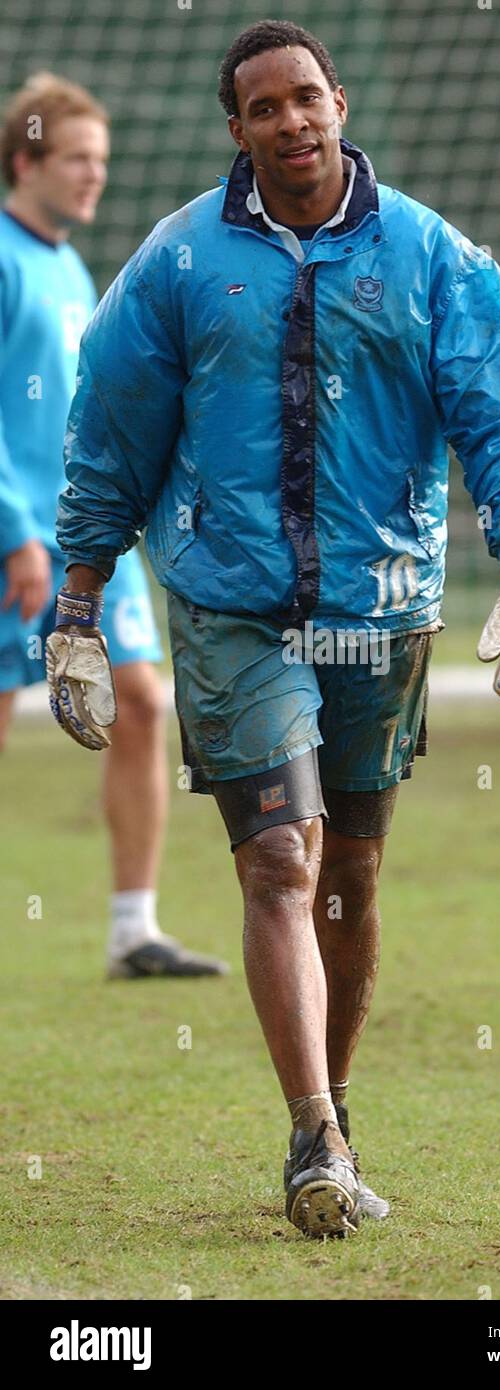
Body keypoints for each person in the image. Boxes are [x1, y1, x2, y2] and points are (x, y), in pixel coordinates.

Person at [48, 21, 500, 1236]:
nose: (292, 121)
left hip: (381, 610)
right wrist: (78, 605)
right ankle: (313, 1136)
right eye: (264, 107)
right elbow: (110, 430)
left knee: (351, 870)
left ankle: (337, 1107)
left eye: (307, 97)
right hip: (230, 609)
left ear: (339, 102)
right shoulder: (177, 263)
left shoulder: (431, 255)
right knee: (279, 859)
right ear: (234, 129)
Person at [0, 73, 227, 979]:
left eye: (102, 159)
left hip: (91, 539)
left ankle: (134, 929)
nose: (95, 176)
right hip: (17, 537)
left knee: (139, 702)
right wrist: (14, 528)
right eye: (77, 159)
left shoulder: (69, 262)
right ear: (25, 160)